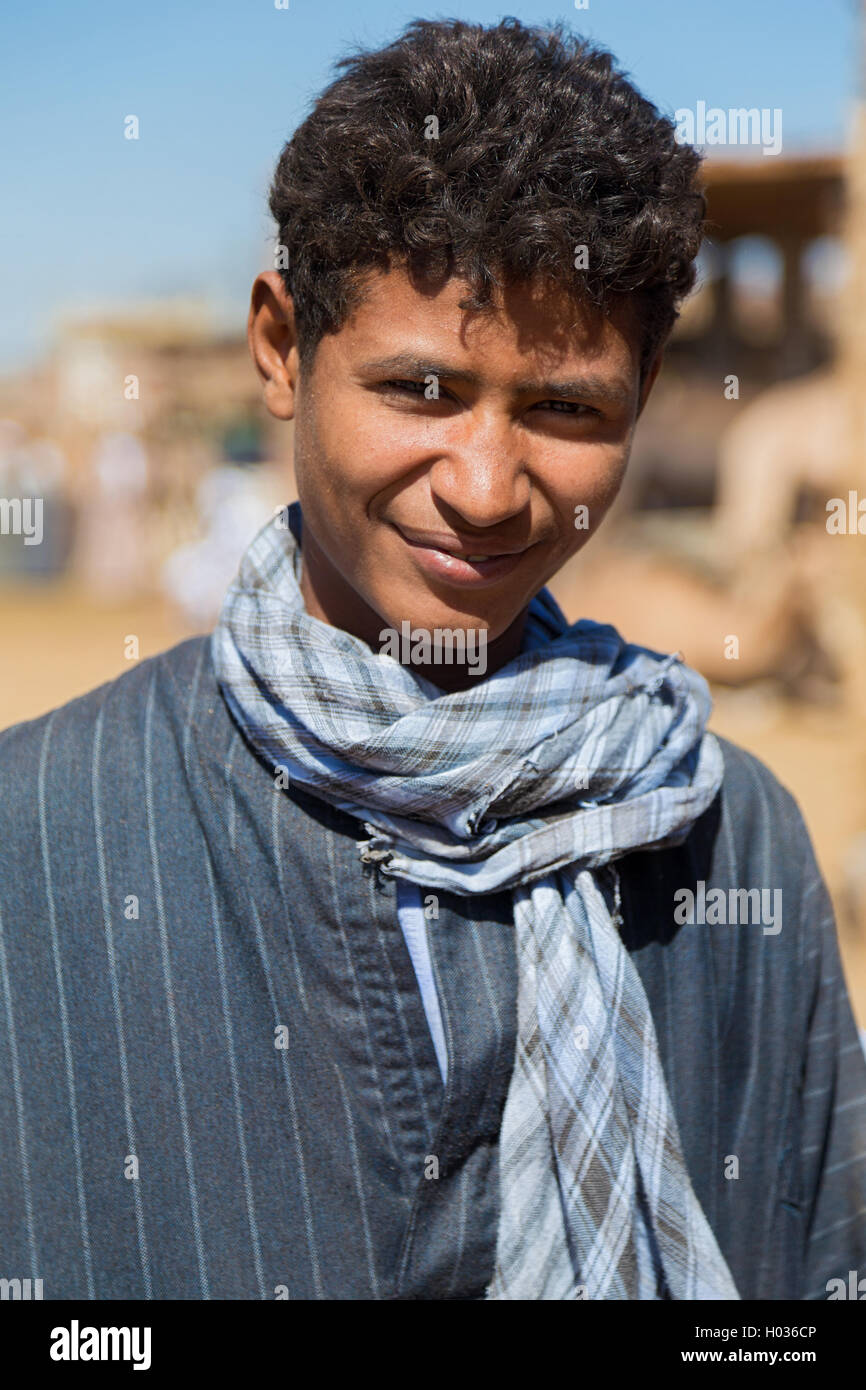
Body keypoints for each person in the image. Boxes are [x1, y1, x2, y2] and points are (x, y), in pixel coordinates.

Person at [1, 17, 864, 1301]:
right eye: (419, 390)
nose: (484, 487)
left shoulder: (728, 838)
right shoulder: (41, 835)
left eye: (564, 408)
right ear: (282, 348)